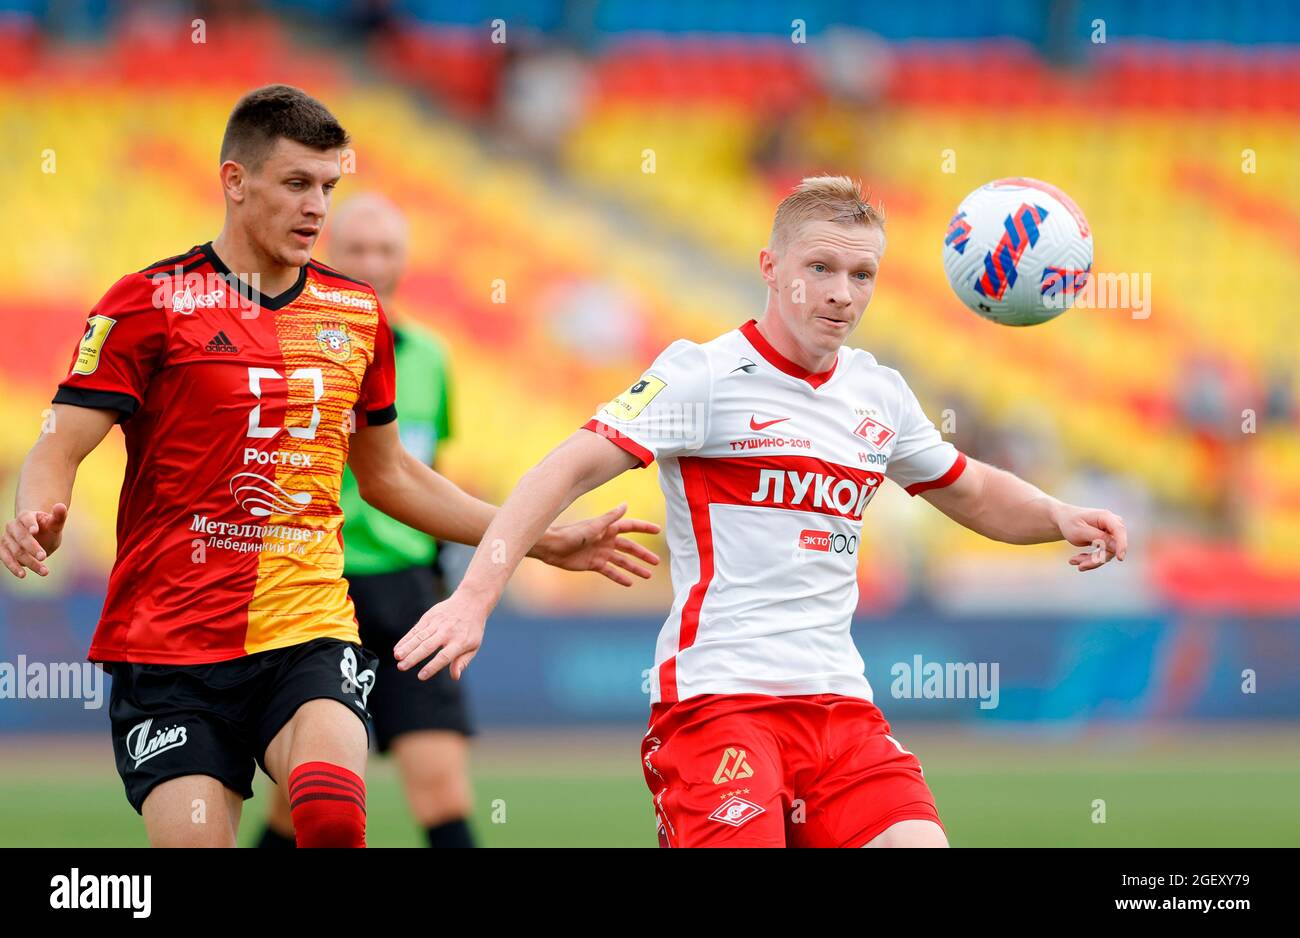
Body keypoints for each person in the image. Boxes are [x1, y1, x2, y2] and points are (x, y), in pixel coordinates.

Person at [0, 84, 659, 848]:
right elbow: (59, 443)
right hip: (169, 648)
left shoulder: (356, 315)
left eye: (327, 187)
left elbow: (393, 478)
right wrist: (34, 510)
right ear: (235, 182)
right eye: (296, 184)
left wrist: (539, 538)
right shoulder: (150, 303)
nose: (317, 207)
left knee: (332, 818)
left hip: (306, 625)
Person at [393, 175, 1129, 848]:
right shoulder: (702, 376)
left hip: (842, 710)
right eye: (821, 268)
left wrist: (1056, 512)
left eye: (861, 274)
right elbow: (564, 470)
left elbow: (969, 490)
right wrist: (474, 599)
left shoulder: (880, 394)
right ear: (771, 268)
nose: (841, 292)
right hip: (720, 707)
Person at [257, 193, 476, 849]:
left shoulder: (431, 358)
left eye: (386, 250)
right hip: (316, 587)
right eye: (357, 249)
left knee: (441, 788)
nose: (372, 263)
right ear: (327, 253)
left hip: (407, 590)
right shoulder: (285, 345)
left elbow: (423, 468)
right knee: (301, 801)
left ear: (406, 261)